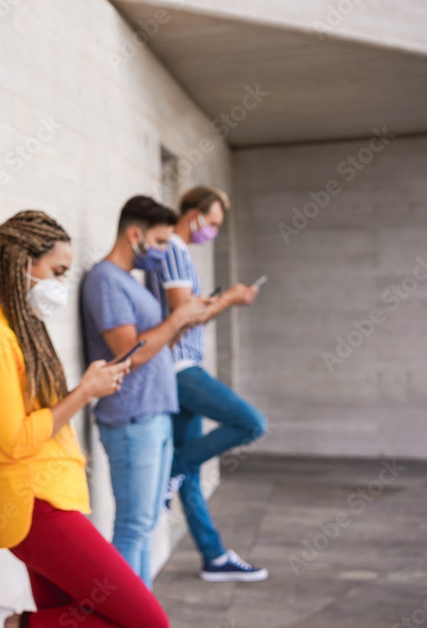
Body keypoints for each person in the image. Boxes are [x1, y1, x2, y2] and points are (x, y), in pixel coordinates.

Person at [0, 211, 169, 628]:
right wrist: (85, 392)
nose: (60, 284)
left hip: (54, 495)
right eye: (57, 272)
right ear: (23, 263)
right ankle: (4, 624)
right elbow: (15, 439)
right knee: (150, 623)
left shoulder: (20, 325)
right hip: (34, 504)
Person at [79, 196, 206, 588]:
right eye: (161, 241)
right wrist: (177, 318)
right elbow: (128, 354)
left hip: (154, 414)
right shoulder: (104, 280)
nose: (165, 252)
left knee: (147, 522)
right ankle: (124, 612)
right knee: (133, 526)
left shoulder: (129, 281)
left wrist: (183, 321)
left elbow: (156, 341)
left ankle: (142, 609)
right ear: (135, 235)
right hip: (131, 418)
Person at [145, 185, 268, 582]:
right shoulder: (174, 250)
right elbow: (184, 314)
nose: (212, 231)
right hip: (178, 368)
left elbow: (190, 312)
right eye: (212, 222)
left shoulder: (180, 251)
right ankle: (172, 468)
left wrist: (219, 301)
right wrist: (228, 298)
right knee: (251, 423)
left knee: (190, 476)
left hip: (182, 365)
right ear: (194, 215)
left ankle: (213, 556)